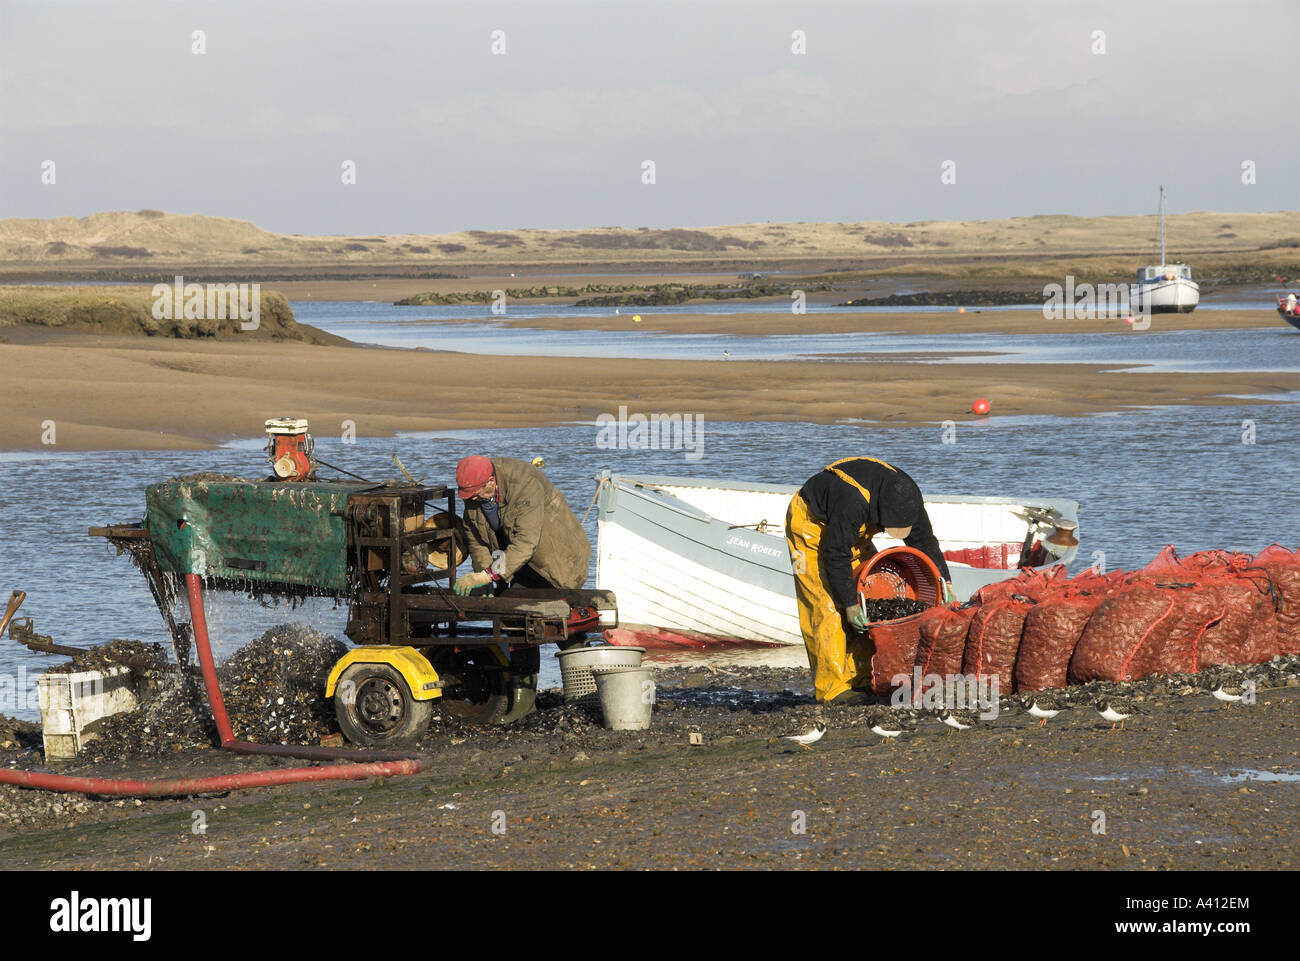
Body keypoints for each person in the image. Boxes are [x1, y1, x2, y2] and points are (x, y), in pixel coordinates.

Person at [785, 456, 955, 706]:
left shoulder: (909, 496)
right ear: (880, 513)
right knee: (827, 608)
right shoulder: (852, 501)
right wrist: (848, 604)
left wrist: (945, 582)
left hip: (850, 533)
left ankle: (862, 679)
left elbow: (925, 542)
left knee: (870, 601)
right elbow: (835, 553)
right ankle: (832, 689)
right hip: (812, 526)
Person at [452, 455, 590, 595]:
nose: (472, 499)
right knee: (507, 605)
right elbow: (476, 539)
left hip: (555, 560)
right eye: (467, 495)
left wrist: (488, 575)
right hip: (512, 561)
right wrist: (481, 575)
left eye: (474, 494)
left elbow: (526, 541)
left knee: (542, 609)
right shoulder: (473, 489)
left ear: (491, 482)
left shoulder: (524, 483)